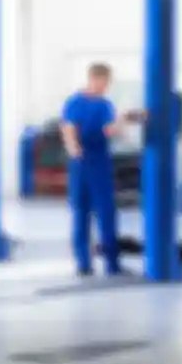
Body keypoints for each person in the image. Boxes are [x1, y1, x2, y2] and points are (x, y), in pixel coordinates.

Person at [60, 63, 143, 276]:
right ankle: (83, 264)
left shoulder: (105, 105)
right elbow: (68, 127)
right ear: (93, 79)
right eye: (104, 82)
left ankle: (112, 263)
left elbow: (108, 130)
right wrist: (72, 147)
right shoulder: (75, 102)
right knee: (81, 212)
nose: (105, 87)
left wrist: (124, 120)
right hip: (80, 161)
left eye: (108, 84)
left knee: (106, 212)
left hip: (100, 161)